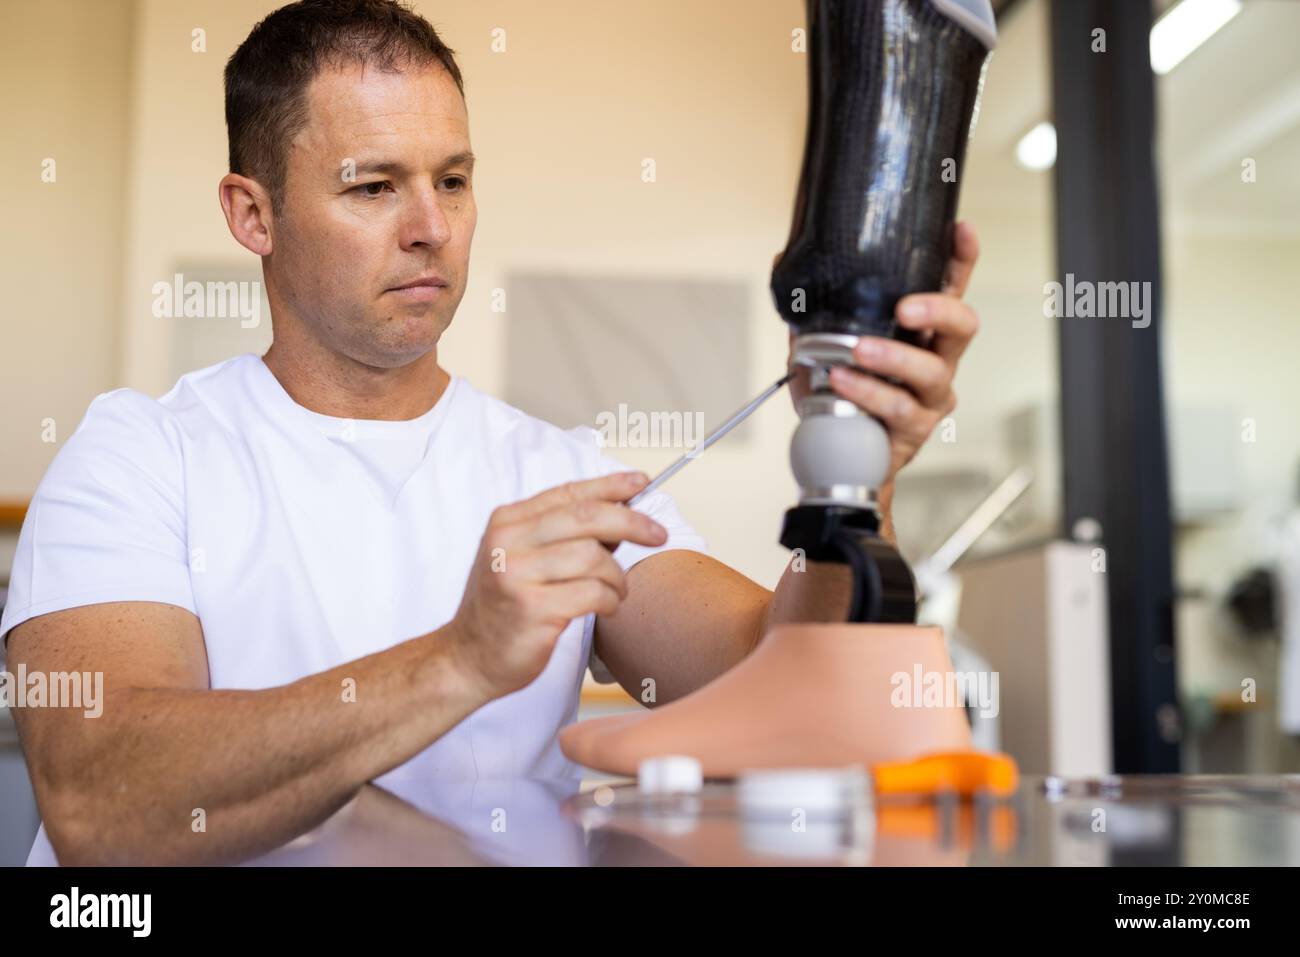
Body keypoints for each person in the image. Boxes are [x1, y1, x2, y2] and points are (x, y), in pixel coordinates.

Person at [0, 0, 981, 865]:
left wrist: (857, 472)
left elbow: (782, 686)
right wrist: (461, 657)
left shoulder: (560, 473)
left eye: (454, 180)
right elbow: (101, 803)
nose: (432, 227)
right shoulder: (139, 455)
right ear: (253, 214)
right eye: (374, 186)